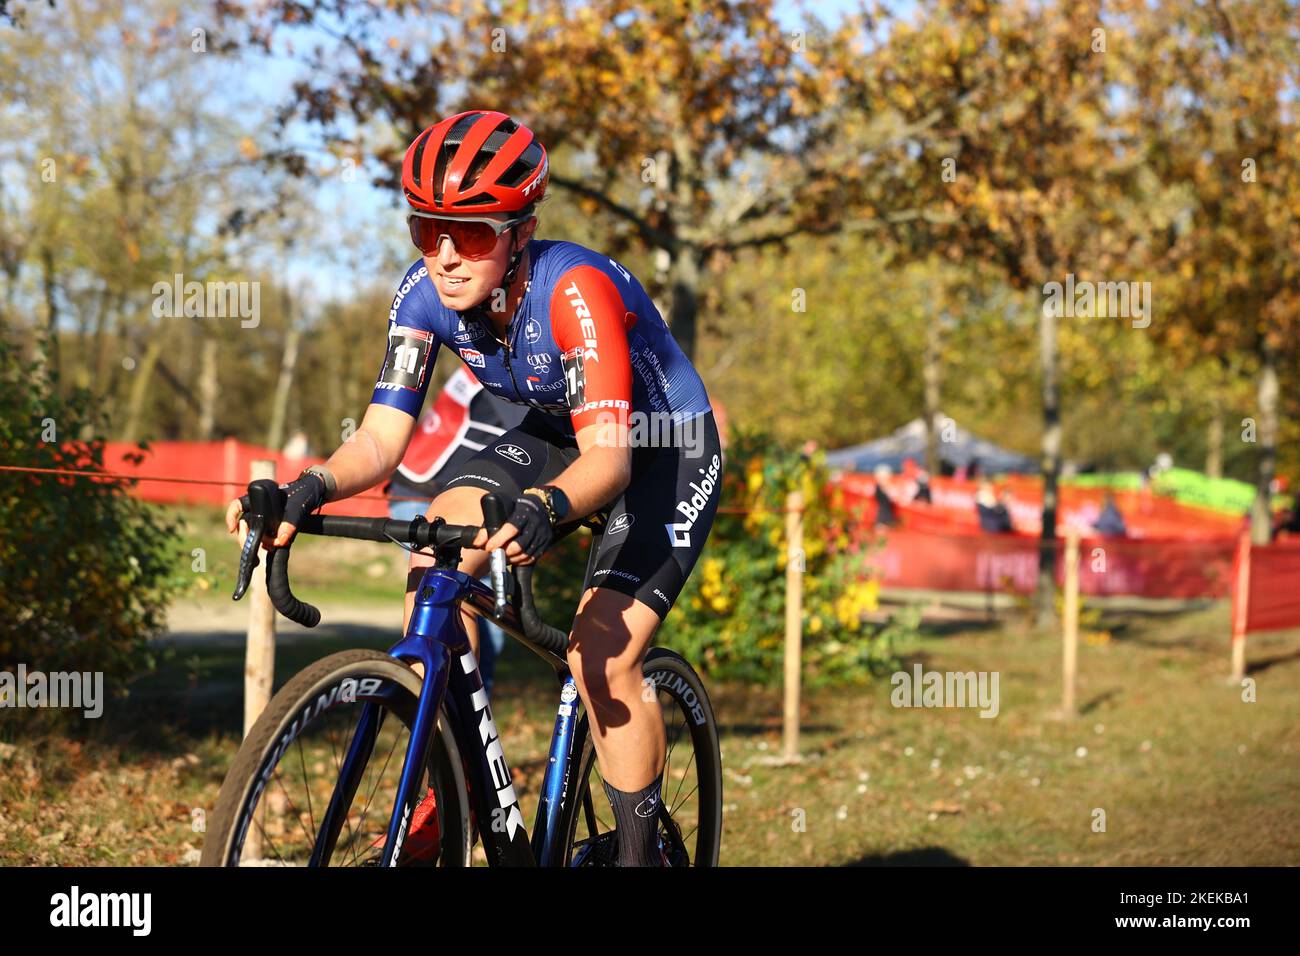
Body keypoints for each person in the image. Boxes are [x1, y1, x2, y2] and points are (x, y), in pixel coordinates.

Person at [226, 110, 720, 867]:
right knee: (433, 552)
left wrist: (547, 507)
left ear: (520, 232)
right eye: (427, 231)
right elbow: (382, 440)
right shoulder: (422, 296)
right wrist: (308, 487)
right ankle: (450, 790)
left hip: (660, 447)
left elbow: (610, 463)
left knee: (601, 656)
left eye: (474, 234)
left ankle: (639, 851)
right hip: (558, 431)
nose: (447, 256)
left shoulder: (573, 291)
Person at [386, 366, 527, 695]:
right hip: (430, 495)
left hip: (425, 489)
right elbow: (541, 435)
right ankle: (442, 727)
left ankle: (461, 728)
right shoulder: (511, 372)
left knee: (481, 631)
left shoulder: (487, 363)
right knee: (453, 620)